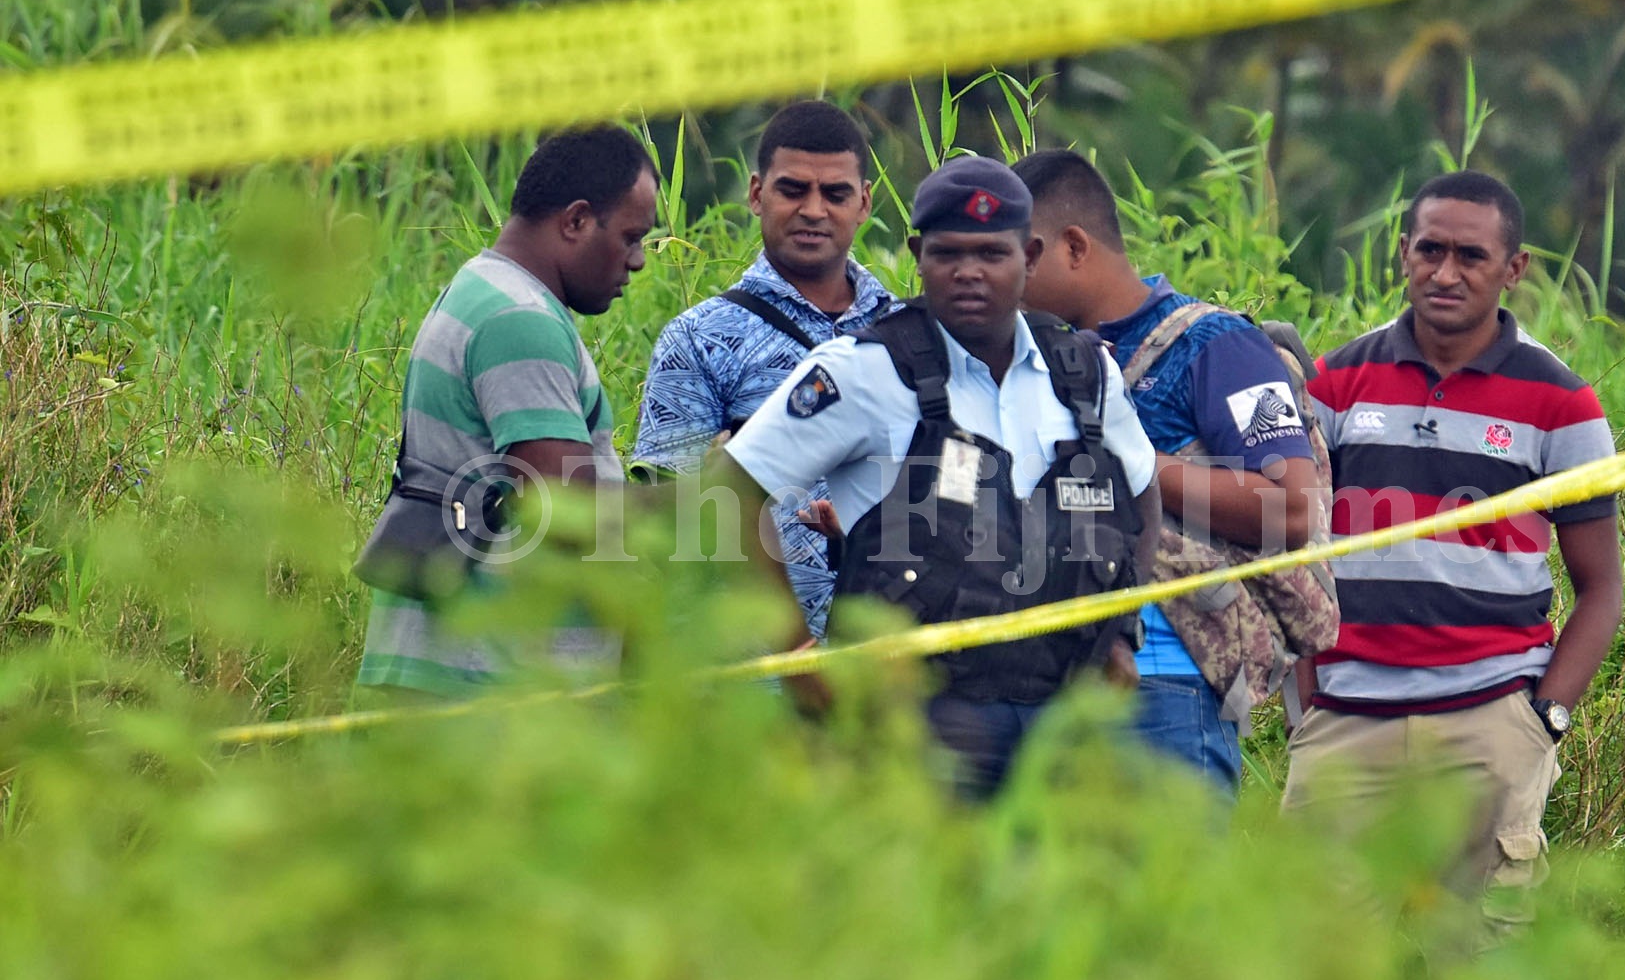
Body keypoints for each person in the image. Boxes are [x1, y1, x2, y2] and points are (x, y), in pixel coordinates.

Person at [708, 155, 1162, 798]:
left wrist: (1125, 629)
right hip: (907, 727)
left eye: (991, 253)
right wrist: (794, 653)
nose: (969, 273)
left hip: (1062, 723)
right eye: (948, 253)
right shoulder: (865, 372)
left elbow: (1141, 494)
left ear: (1030, 256)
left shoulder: (1084, 374)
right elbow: (726, 490)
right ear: (916, 254)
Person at [1288, 169, 1624, 905]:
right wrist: (1306, 690)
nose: (1446, 273)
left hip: (1490, 721)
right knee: (1312, 972)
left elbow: (1601, 586)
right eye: (1430, 250)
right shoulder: (1336, 382)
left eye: (1470, 256)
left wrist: (1545, 719)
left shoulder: (1560, 402)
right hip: (1346, 721)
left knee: (1486, 974)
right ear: (1403, 252)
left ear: (1514, 269)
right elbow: (1290, 550)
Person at [1013, 148, 1337, 793]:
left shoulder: (1221, 348)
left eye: (1020, 256)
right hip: (1043, 684)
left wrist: (1126, 462)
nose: (1001, 276)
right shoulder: (1024, 356)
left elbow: (1292, 510)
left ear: (1074, 246)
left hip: (1168, 688)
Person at [355, 125, 659, 696]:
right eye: (631, 236)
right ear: (575, 221)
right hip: (485, 699)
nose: (638, 261)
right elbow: (567, 514)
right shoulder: (519, 320)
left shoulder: (483, 290)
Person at [634, 100, 896, 636]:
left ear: (865, 202)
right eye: (793, 190)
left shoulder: (909, 332)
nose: (814, 210)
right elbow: (663, 530)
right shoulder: (699, 340)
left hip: (891, 670)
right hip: (751, 678)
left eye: (836, 193)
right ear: (756, 194)